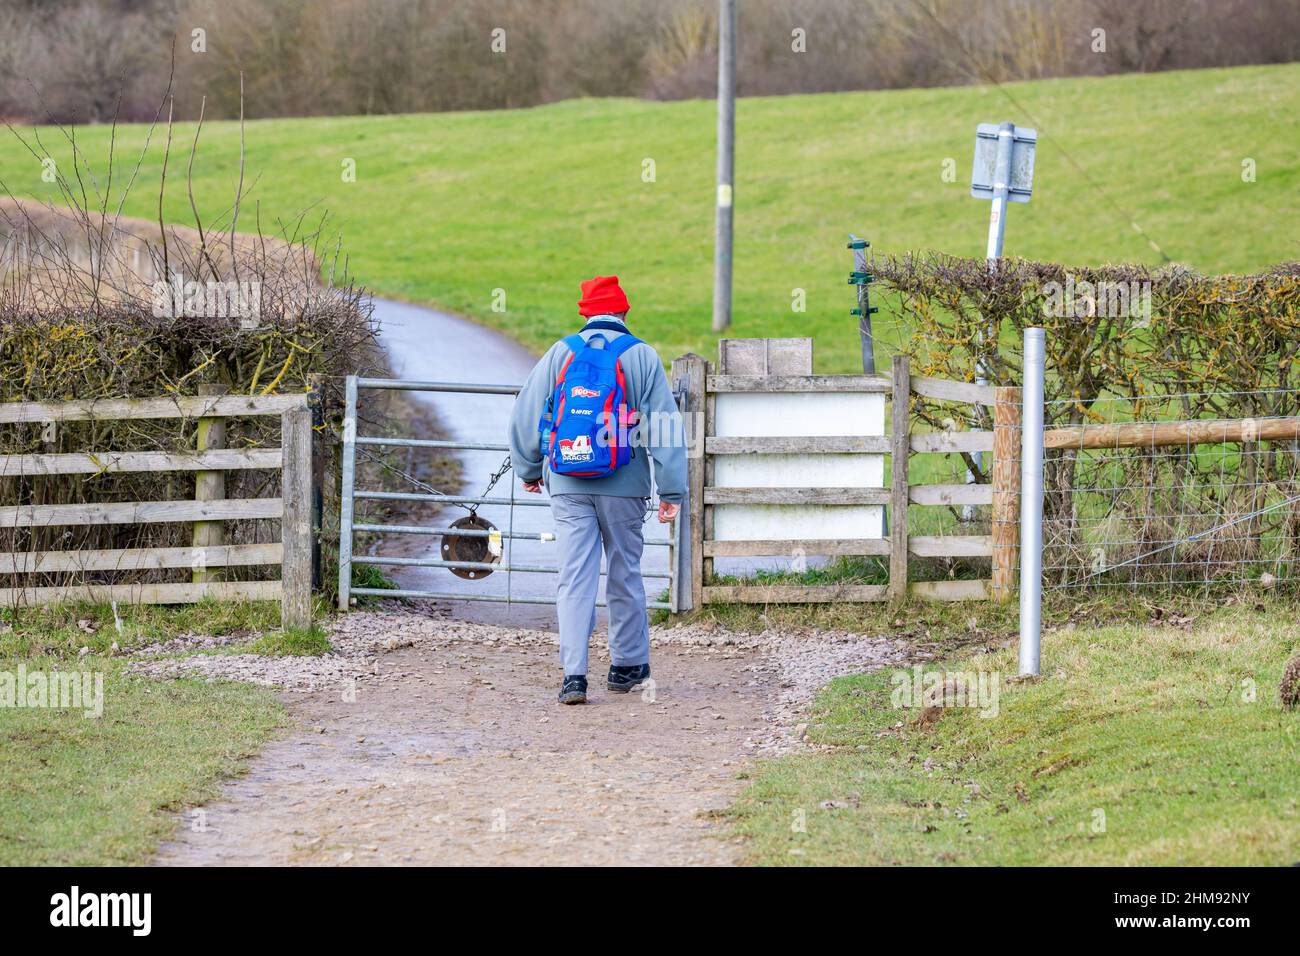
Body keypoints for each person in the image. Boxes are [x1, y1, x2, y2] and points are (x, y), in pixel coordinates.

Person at [508, 275, 686, 704]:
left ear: (584, 312)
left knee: (574, 577)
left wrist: (529, 467)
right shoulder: (642, 356)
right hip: (625, 485)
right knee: (625, 572)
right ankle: (626, 667)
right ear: (625, 312)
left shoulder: (561, 352)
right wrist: (672, 491)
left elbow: (526, 411)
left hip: (568, 482)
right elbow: (664, 426)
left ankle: (574, 675)